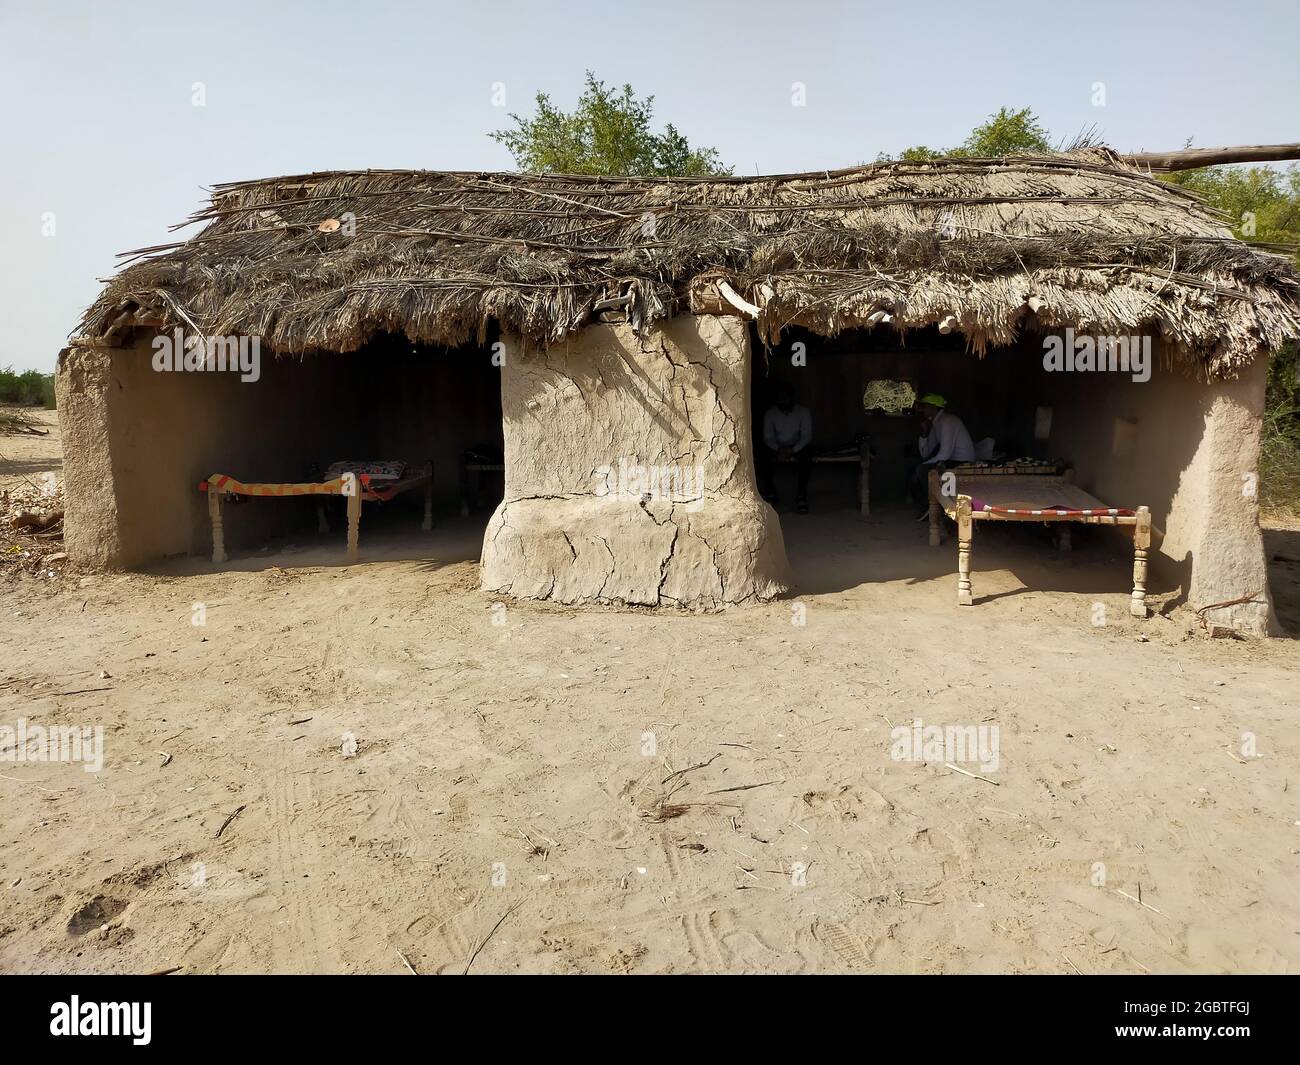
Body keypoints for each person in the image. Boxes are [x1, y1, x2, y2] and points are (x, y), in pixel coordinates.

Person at [910, 393, 976, 509]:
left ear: (933, 408)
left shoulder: (946, 421)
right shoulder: (937, 423)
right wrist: (925, 433)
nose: (922, 410)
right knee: (916, 464)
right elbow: (926, 453)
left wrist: (923, 465)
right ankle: (929, 503)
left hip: (962, 461)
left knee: (922, 470)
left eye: (925, 406)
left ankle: (934, 505)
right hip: (951, 459)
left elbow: (945, 454)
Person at [758, 385, 813, 513]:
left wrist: (793, 450)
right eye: (780, 398)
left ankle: (801, 496)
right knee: (762, 456)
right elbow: (768, 437)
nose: (783, 400)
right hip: (776, 446)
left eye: (785, 397)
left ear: (792, 398)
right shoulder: (771, 413)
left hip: (797, 446)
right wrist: (779, 449)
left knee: (807, 457)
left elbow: (806, 436)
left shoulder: (803, 412)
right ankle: (771, 493)